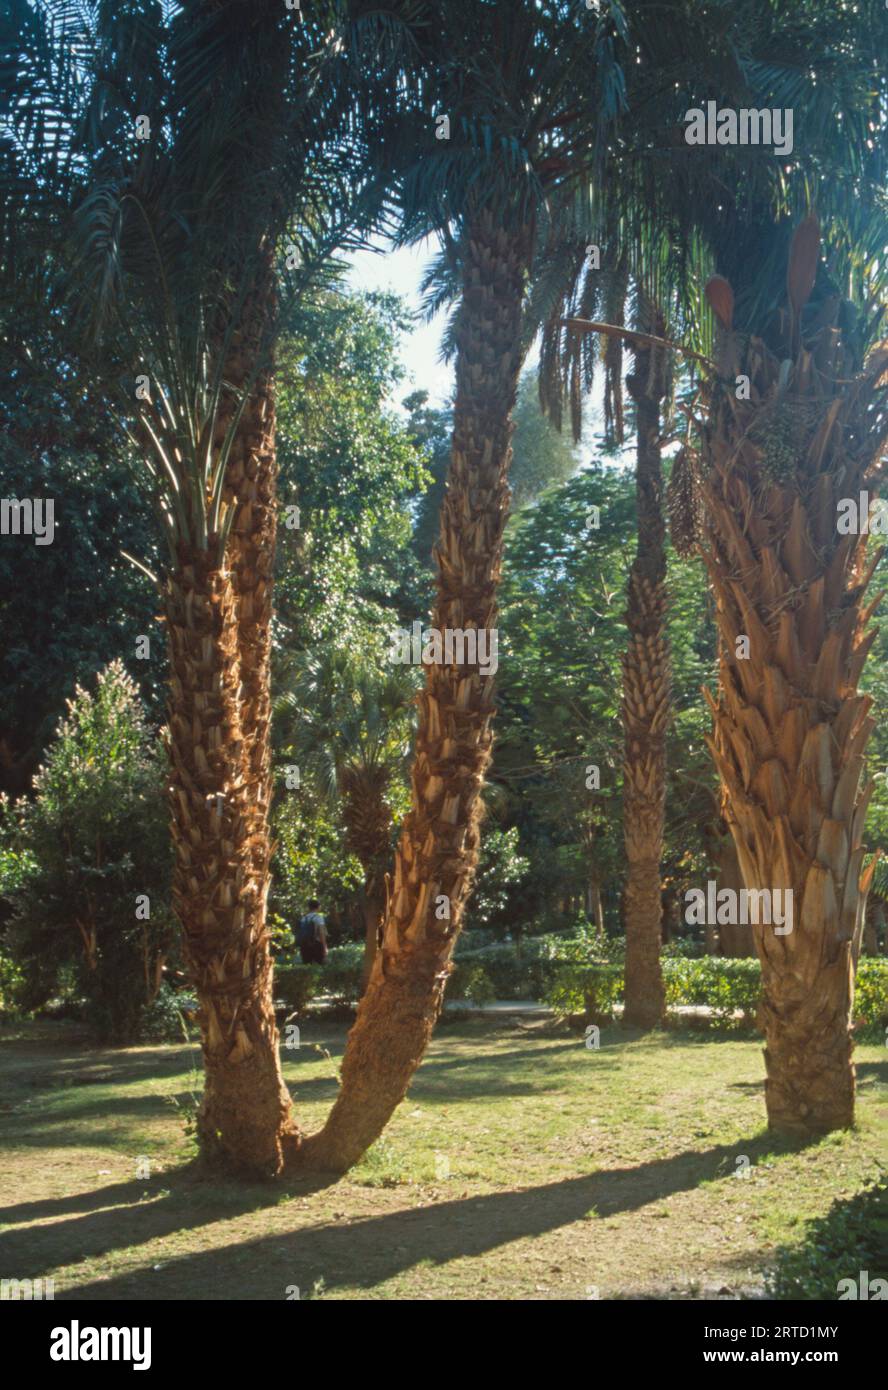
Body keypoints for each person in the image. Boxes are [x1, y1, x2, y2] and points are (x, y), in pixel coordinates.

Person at [297, 899, 328, 965]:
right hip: (316, 944)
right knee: (320, 965)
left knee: (307, 965)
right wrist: (324, 947)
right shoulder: (318, 917)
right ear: (318, 907)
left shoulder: (304, 918)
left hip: (304, 945)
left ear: (309, 907)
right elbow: (321, 933)